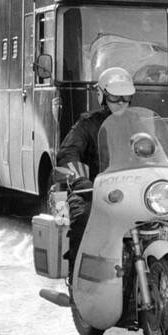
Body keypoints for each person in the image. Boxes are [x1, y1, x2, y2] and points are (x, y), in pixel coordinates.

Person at [56, 67, 135, 262]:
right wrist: (81, 182)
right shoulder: (88, 124)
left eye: (125, 98)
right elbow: (67, 153)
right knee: (85, 218)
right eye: (115, 98)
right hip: (91, 192)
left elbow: (156, 150)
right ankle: (76, 275)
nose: (121, 103)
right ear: (102, 96)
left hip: (129, 190)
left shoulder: (137, 123)